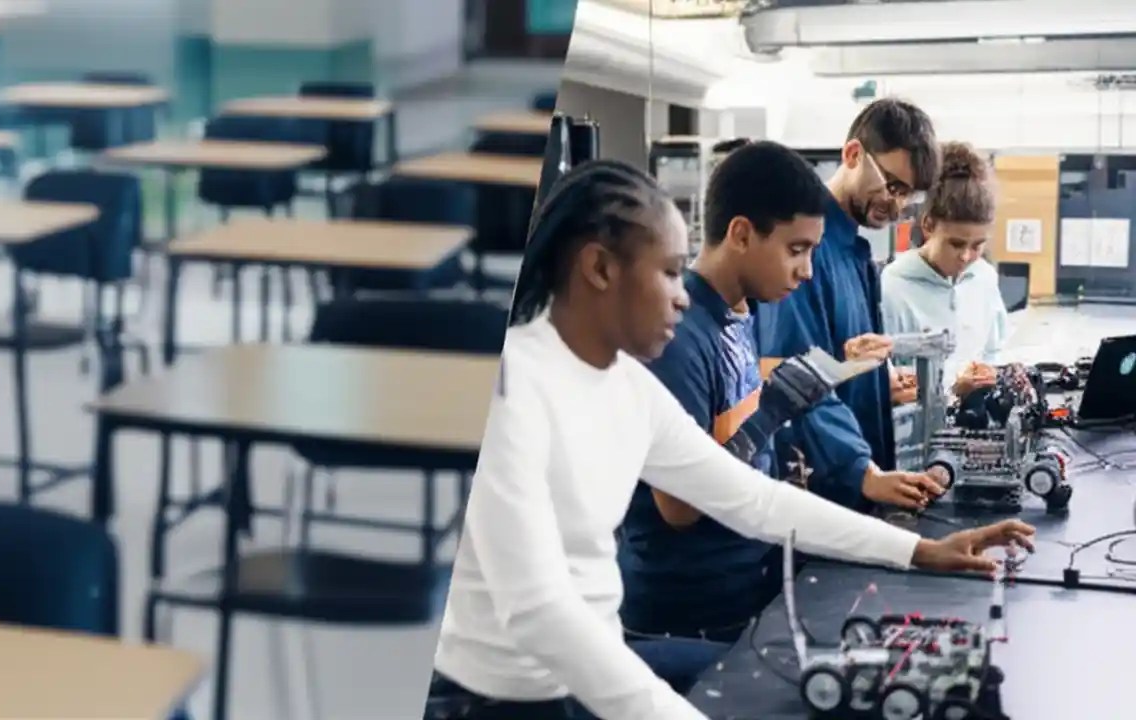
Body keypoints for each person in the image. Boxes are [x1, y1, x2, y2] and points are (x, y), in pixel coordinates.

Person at [424, 158, 1034, 720]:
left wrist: (920, 551)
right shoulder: (512, 393)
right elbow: (538, 612)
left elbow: (754, 499)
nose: (681, 296)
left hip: (589, 670)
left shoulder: (624, 385)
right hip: (502, 699)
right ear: (600, 269)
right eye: (669, 272)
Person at [616, 140, 829, 693]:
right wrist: (769, 415)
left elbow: (726, 429)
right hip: (687, 619)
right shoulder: (677, 336)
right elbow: (680, 507)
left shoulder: (737, 315)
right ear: (740, 234)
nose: (807, 271)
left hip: (741, 594)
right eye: (796, 249)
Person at [756, 97, 947, 514]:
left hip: (858, 485)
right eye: (892, 186)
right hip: (821, 494)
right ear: (854, 155)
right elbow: (791, 382)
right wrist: (861, 471)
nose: (897, 205)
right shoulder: (807, 252)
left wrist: (877, 382)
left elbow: (836, 361)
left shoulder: (854, 252)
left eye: (908, 195)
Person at [881, 141, 1007, 399]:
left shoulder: (984, 278)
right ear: (928, 225)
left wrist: (987, 376)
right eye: (956, 244)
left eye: (977, 245)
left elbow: (994, 353)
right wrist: (951, 391)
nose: (966, 256)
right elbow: (885, 383)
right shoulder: (892, 287)